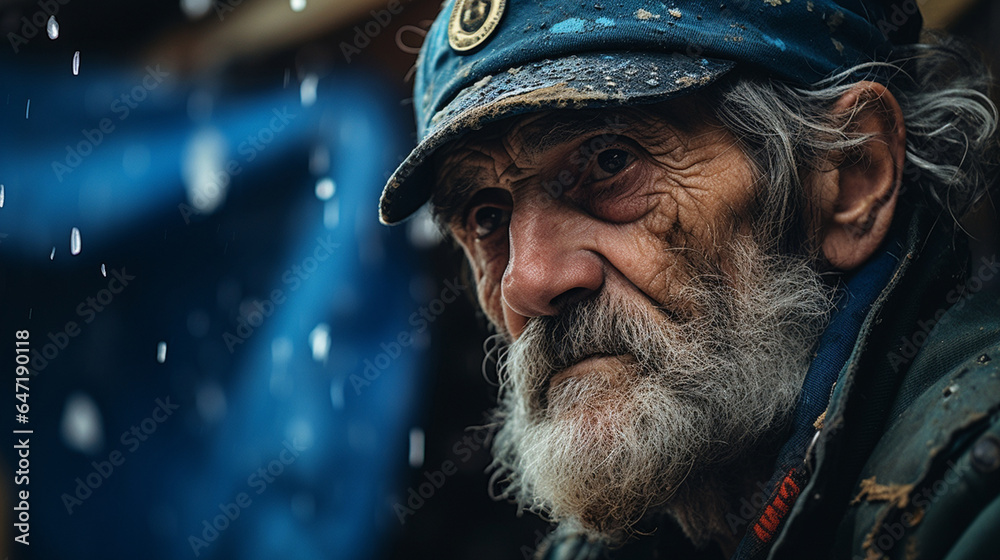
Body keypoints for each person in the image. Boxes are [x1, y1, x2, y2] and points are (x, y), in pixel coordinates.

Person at [379, 0, 1000, 558]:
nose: (529, 281)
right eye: (488, 218)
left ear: (848, 174)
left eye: (610, 162)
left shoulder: (973, 495)